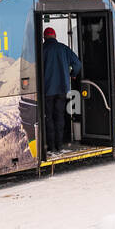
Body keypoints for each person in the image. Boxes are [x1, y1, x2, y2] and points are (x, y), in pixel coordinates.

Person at [41, 27, 82, 155]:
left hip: (47, 91)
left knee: (48, 118)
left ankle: (51, 146)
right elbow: (77, 64)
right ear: (55, 35)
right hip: (62, 89)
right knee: (59, 117)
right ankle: (59, 145)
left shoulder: (41, 50)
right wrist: (72, 74)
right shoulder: (63, 48)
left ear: (44, 37)